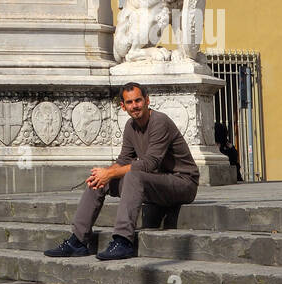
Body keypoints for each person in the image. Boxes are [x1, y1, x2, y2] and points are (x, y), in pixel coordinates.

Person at [45, 81, 200, 262]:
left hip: (183, 183)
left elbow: (150, 163)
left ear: (147, 100)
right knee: (98, 180)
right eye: (129, 102)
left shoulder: (159, 121)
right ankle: (78, 241)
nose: (134, 106)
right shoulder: (130, 126)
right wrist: (103, 174)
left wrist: (110, 173)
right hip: (157, 183)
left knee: (132, 176)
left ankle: (123, 241)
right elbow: (124, 160)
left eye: (138, 100)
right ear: (123, 106)